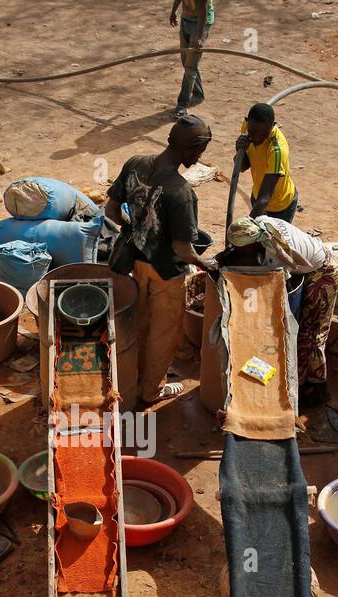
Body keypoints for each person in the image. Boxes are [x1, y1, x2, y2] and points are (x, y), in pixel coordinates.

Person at [105, 115, 221, 406]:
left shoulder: (135, 163)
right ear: (188, 148)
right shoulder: (181, 192)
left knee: (139, 324)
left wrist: (133, 228)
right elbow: (182, 249)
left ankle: (129, 380)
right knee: (163, 334)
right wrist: (205, 263)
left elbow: (111, 211)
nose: (199, 157)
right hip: (166, 273)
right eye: (200, 151)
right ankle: (151, 391)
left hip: (134, 264)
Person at [222, 216, 338, 406]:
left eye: (241, 250)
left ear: (253, 246)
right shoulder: (260, 225)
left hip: (324, 272)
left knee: (311, 332)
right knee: (303, 332)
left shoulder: (276, 258)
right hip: (308, 268)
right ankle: (300, 383)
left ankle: (314, 389)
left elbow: (279, 292)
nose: (237, 252)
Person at [235, 102, 299, 222]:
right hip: (257, 197)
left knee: (269, 234)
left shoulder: (277, 150)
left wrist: (247, 226)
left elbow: (264, 198)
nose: (257, 138)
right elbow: (242, 167)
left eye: (263, 135)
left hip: (280, 207)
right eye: (253, 133)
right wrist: (239, 149)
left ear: (273, 126)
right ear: (247, 122)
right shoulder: (246, 128)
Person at [169, 0, 212, 118]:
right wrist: (174, 11)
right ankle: (198, 94)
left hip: (200, 23)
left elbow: (203, 10)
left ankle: (182, 104)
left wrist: (200, 37)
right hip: (186, 19)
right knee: (186, 61)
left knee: (190, 67)